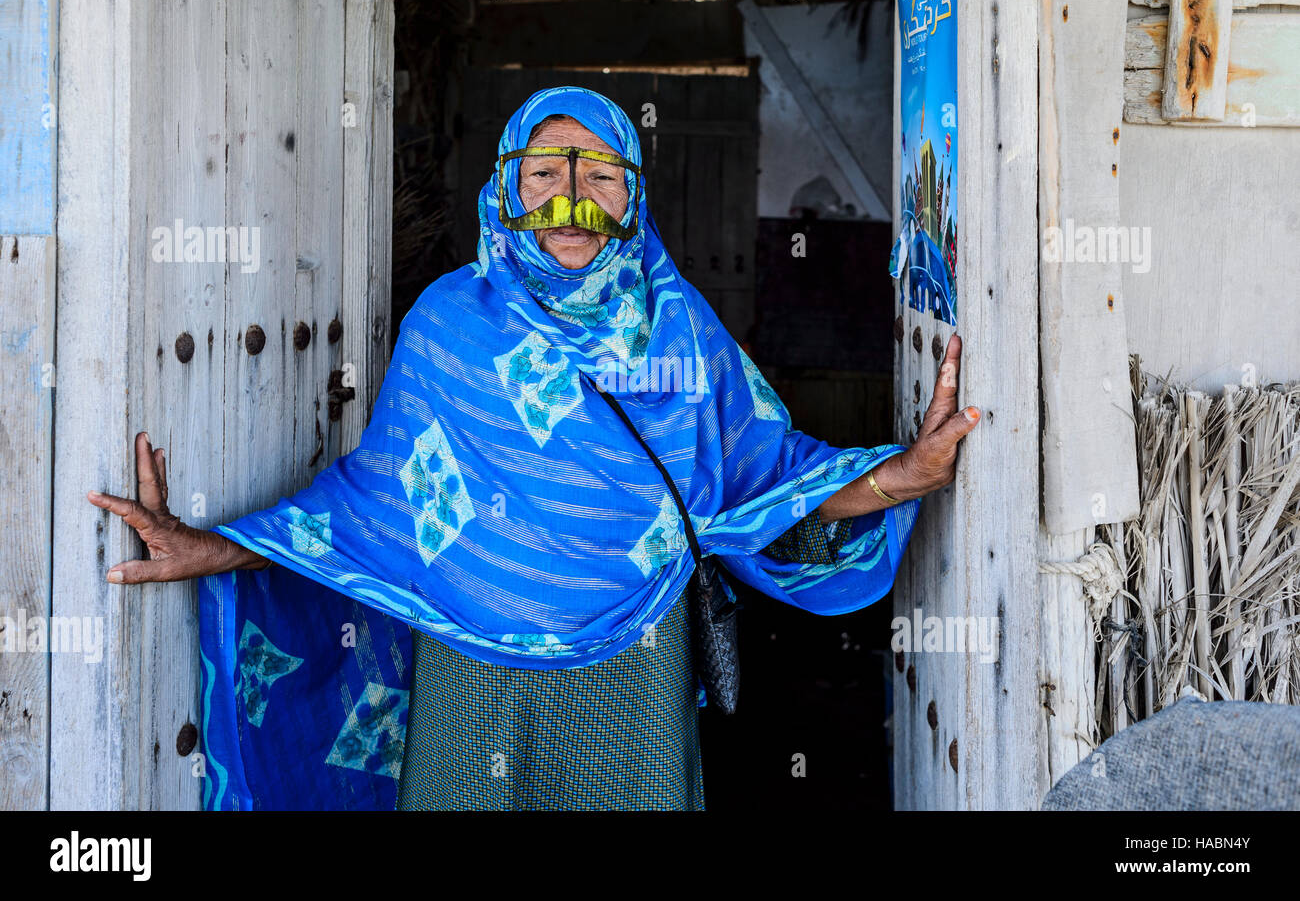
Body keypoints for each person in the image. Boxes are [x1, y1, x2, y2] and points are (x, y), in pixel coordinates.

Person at [87, 85, 978, 810]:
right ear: (507, 191)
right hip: (474, 682)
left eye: (599, 175)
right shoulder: (446, 324)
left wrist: (906, 474)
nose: (571, 199)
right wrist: (212, 547)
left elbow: (767, 478)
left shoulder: (683, 337)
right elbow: (370, 505)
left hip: (635, 680)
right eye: (546, 171)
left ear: (635, 190)